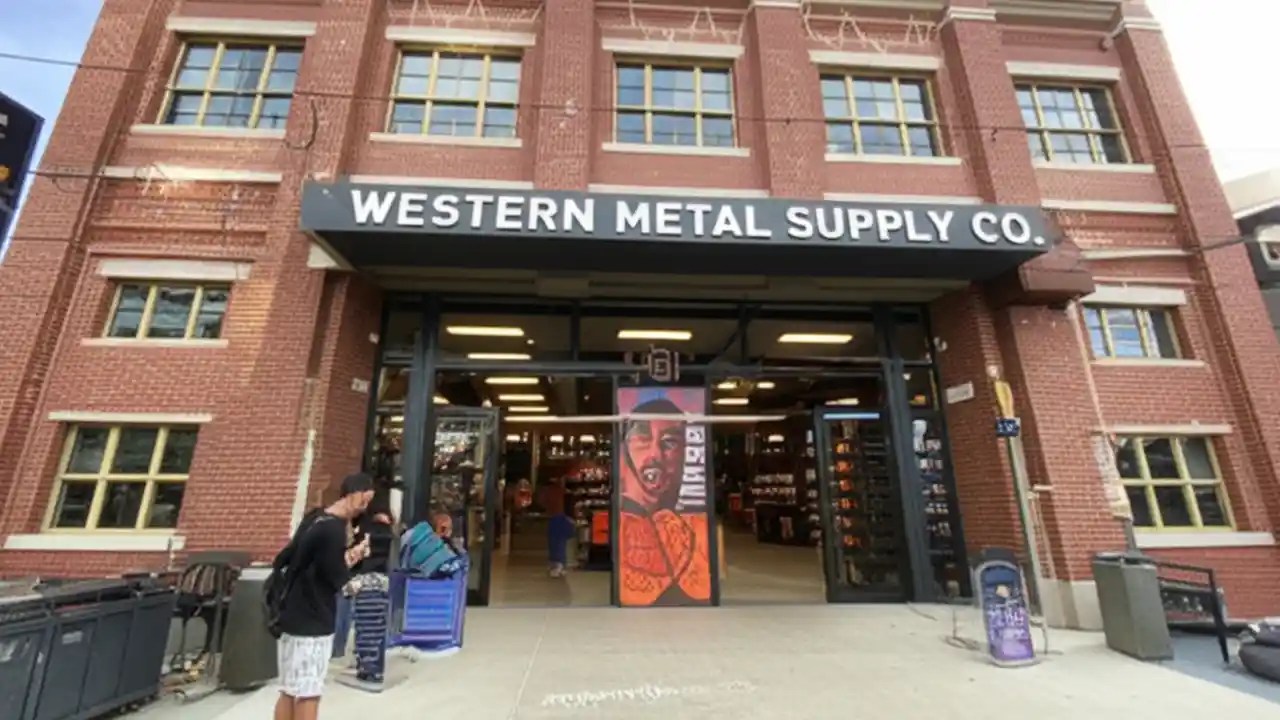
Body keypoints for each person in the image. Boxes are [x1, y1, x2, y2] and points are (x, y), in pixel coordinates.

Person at [273, 473, 374, 720]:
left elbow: (298, 559)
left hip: (291, 614)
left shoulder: (314, 519)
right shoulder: (333, 530)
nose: (364, 507)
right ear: (353, 494)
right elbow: (337, 578)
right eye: (365, 500)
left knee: (288, 689)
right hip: (315, 619)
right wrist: (358, 576)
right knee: (309, 692)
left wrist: (349, 556)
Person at [618, 397, 711, 606]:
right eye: (643, 440)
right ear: (625, 450)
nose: (655, 454)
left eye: (669, 442)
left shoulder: (695, 525)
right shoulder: (623, 523)